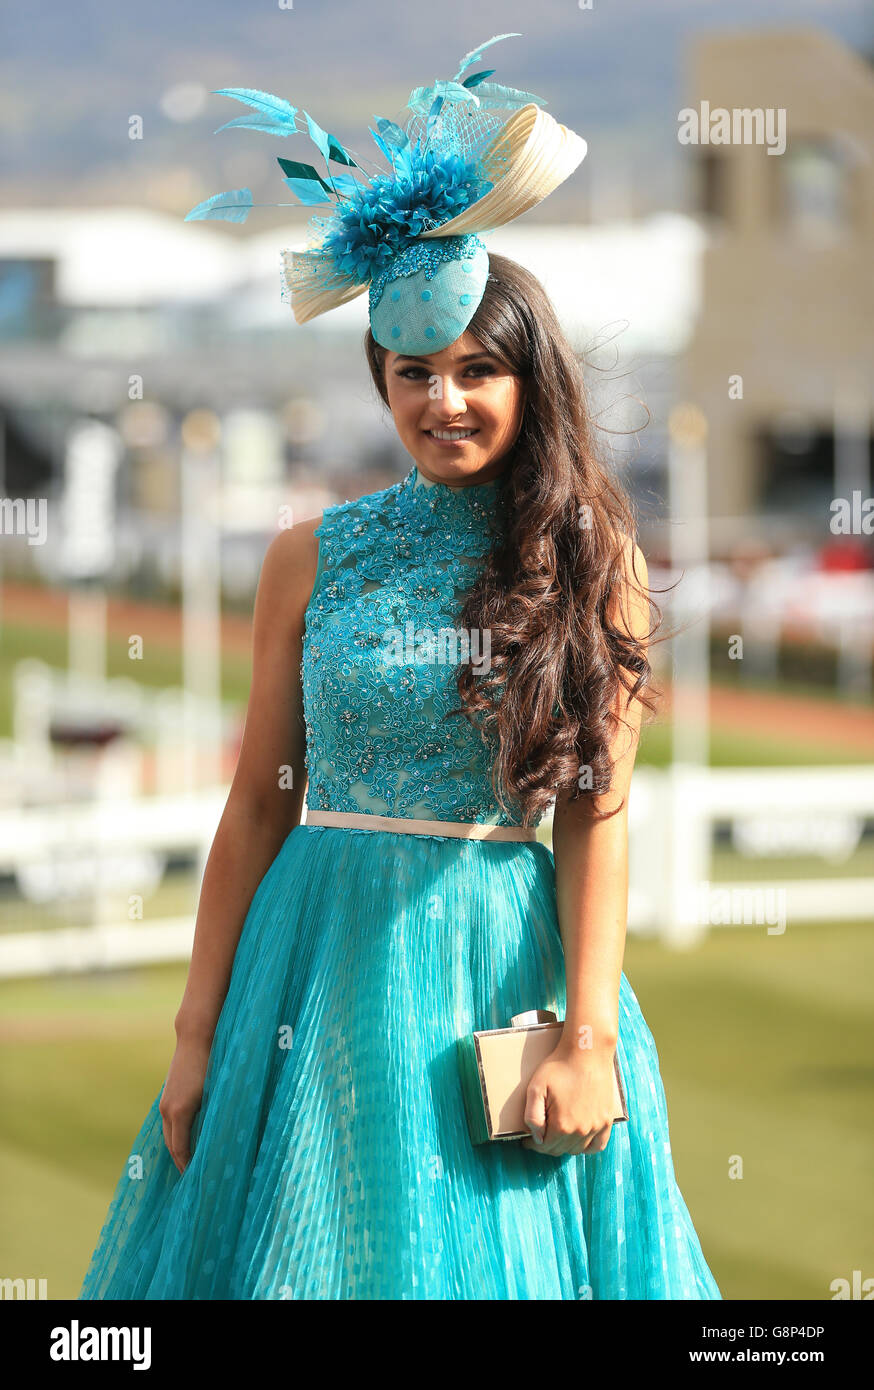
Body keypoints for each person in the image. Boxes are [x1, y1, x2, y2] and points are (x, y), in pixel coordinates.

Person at [79, 34, 721, 1301]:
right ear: (379, 384)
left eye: (477, 370)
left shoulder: (593, 556)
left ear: (527, 379)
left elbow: (599, 812)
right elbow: (259, 799)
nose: (445, 401)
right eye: (412, 374)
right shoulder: (305, 556)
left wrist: (587, 1038)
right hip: (308, 973)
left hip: (497, 971)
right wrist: (199, 1029)